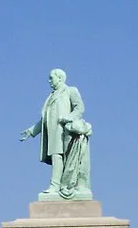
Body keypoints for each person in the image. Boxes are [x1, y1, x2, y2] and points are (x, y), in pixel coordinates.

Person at [19, 69, 92, 200]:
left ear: (60, 78)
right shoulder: (50, 97)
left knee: (62, 157)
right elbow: (44, 119)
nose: (49, 81)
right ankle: (56, 186)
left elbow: (79, 107)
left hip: (65, 131)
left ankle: (59, 185)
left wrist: (68, 118)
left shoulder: (70, 91)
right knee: (56, 157)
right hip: (52, 132)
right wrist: (31, 131)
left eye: (51, 78)